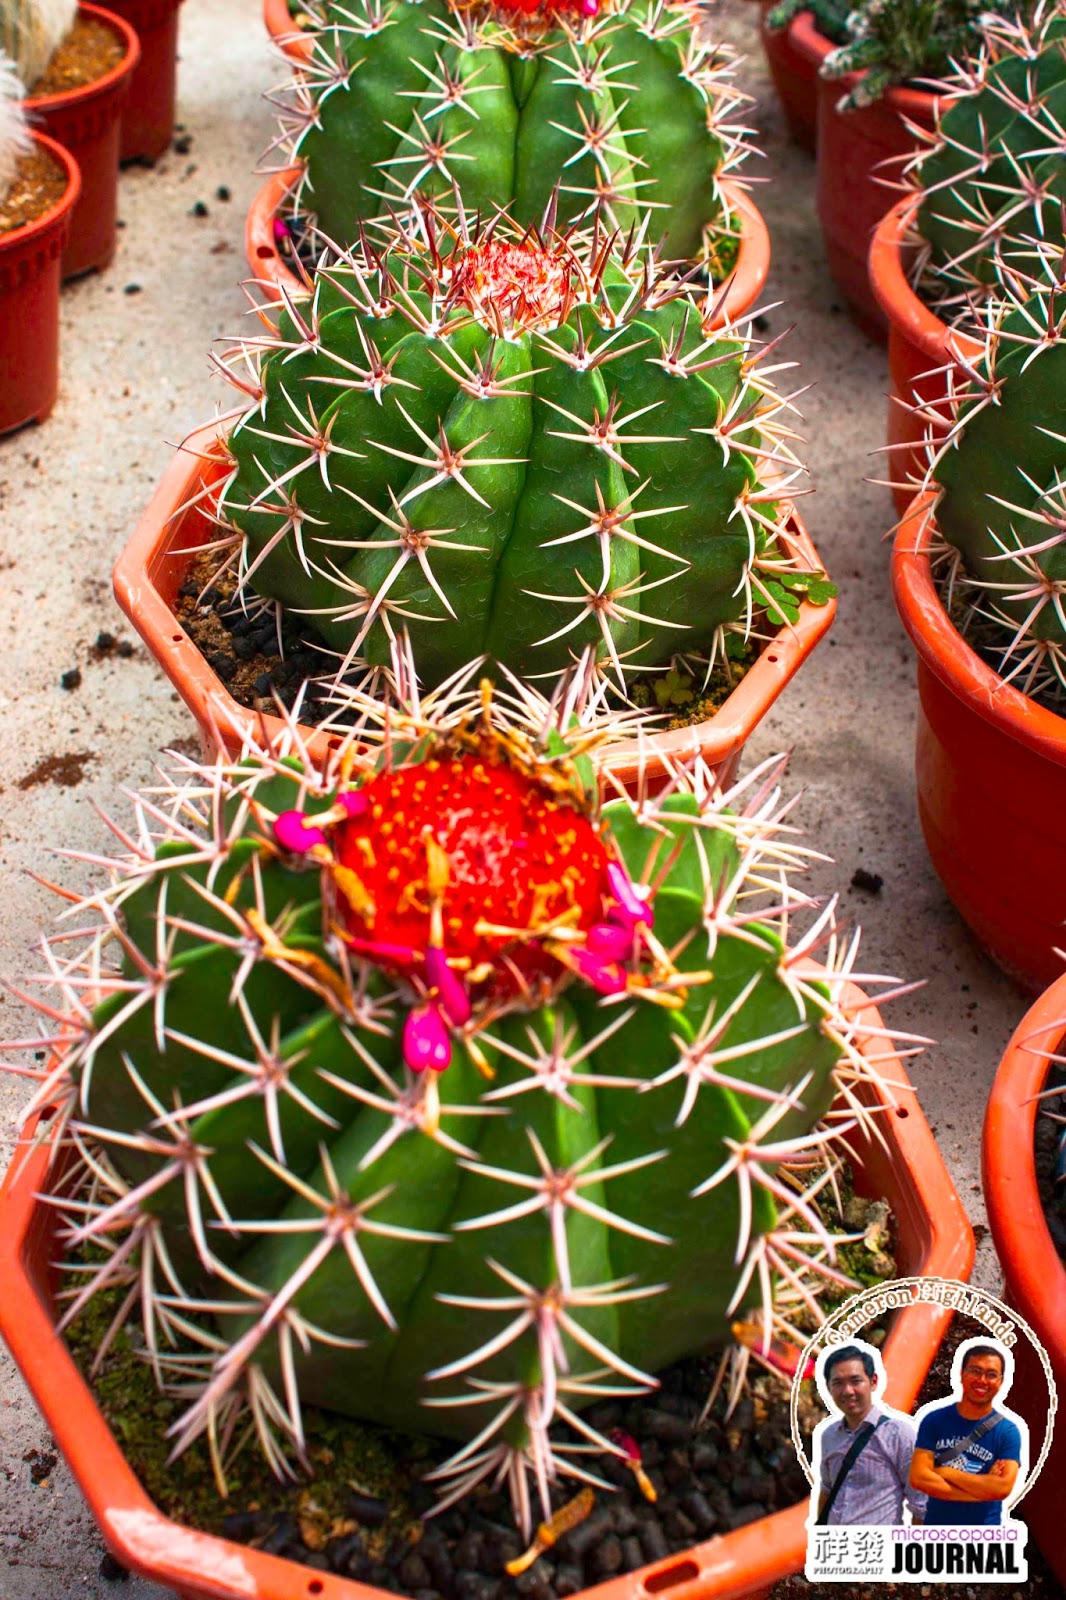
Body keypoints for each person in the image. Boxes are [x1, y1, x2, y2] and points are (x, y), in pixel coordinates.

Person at [909, 1344, 1023, 1526]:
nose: (982, 1380)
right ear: (961, 1374)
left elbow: (1002, 1488)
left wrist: (945, 1472)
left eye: (991, 1374)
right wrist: (981, 1491)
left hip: (983, 1536)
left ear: (1001, 1381)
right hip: (936, 1532)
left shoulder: (1007, 1432)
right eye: (975, 1371)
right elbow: (919, 1478)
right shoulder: (934, 1421)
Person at [813, 1344, 927, 1526]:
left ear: (873, 1382)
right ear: (828, 1388)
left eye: (855, 1381)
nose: (847, 1391)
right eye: (838, 1383)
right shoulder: (829, 1436)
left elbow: (922, 1505)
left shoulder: (898, 1435)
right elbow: (827, 1490)